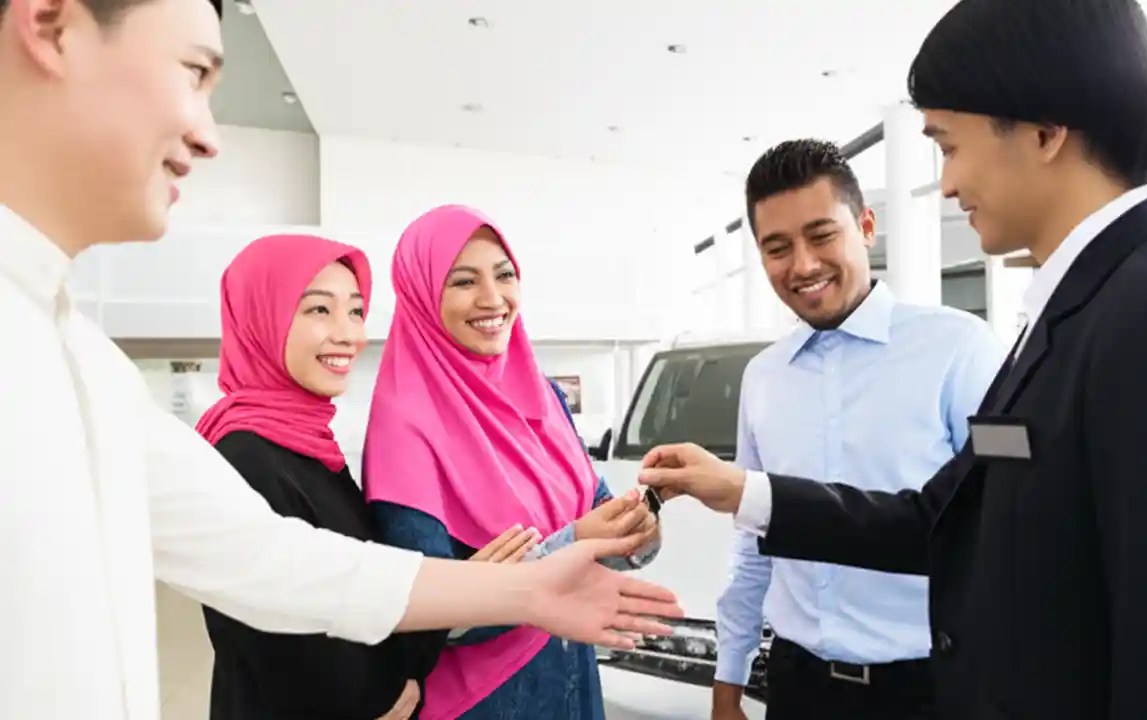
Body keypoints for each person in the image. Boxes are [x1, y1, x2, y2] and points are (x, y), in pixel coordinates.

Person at [0, 1, 680, 718]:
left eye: (354, 310)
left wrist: (533, 582)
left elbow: (277, 562)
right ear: (51, 27)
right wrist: (525, 584)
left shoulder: (87, 362)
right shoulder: (281, 438)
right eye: (191, 72)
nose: (208, 136)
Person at [638, 1, 1147, 719]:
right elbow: (939, 520)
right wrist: (744, 492)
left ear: (1043, 132)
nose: (945, 185)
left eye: (948, 146)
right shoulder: (1080, 313)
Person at [712, 140, 1004, 720]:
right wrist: (729, 680)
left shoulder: (957, 349)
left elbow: (996, 530)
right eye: (777, 248)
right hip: (797, 688)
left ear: (866, 226)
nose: (802, 265)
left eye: (821, 235)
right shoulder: (764, 376)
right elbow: (753, 540)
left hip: (929, 689)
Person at [362, 204, 661, 720]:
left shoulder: (543, 398)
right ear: (422, 294)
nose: (493, 298)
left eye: (504, 275)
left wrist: (639, 527)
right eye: (463, 281)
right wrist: (575, 543)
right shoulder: (404, 428)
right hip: (488, 700)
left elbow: (599, 513)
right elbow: (424, 617)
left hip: (572, 678)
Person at [193, 233, 466, 719]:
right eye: (319, 309)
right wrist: (389, 689)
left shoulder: (305, 445)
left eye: (356, 311)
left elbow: (352, 590)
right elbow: (289, 645)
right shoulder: (246, 456)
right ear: (262, 317)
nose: (350, 335)